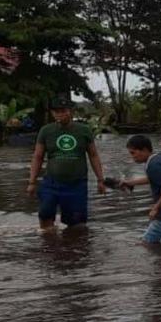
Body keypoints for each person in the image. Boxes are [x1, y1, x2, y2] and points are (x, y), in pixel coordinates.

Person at [26, 95, 107, 231]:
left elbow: (93, 155)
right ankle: (48, 242)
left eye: (63, 111)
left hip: (77, 184)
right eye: (56, 111)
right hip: (51, 182)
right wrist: (32, 182)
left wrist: (100, 180)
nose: (60, 114)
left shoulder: (84, 130)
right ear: (52, 113)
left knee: (77, 223)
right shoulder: (46, 131)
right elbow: (38, 157)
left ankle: (71, 244)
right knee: (45, 214)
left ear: (71, 111)